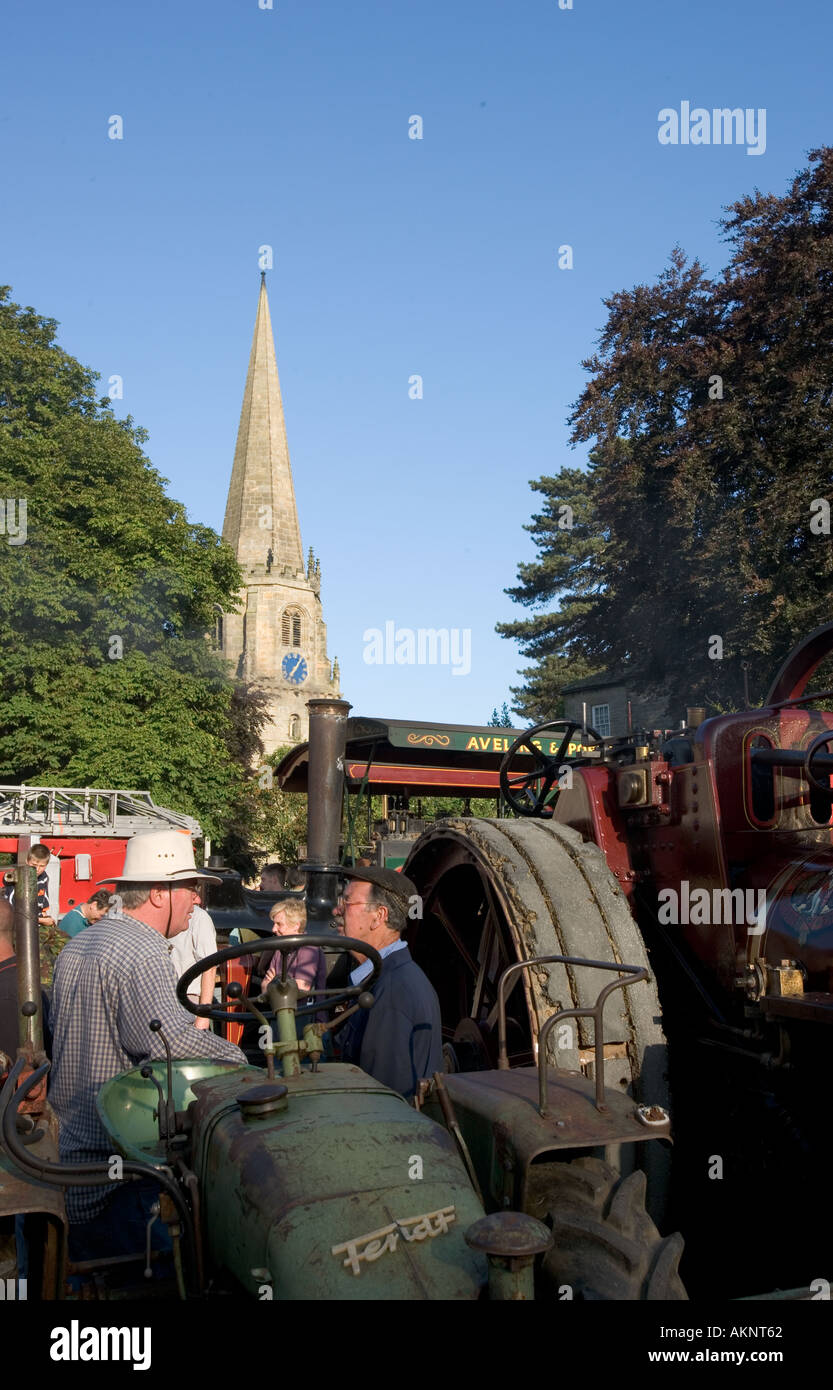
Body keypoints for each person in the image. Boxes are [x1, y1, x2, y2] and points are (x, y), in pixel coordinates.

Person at [49, 828, 246, 1264]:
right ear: (159, 893)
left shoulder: (79, 945)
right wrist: (245, 1064)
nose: (197, 898)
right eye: (191, 887)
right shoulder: (142, 950)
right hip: (120, 1179)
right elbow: (170, 1045)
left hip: (73, 1158)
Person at [332, 867, 442, 1100]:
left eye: (347, 902)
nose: (336, 910)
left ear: (378, 916)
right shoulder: (389, 978)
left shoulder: (393, 991)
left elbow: (381, 1099)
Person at [167, 883, 218, 1030]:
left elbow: (209, 966)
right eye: (193, 894)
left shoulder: (200, 919)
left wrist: (202, 1015)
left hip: (188, 1000)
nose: (198, 901)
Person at [262, 896, 326, 998]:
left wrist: (273, 985)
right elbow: (265, 984)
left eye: (279, 924)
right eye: (274, 924)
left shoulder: (309, 949)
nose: (273, 929)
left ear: (296, 925)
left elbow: (300, 989)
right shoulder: (281, 948)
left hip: (306, 1011)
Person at [3, 844, 55, 928]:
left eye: (42, 866)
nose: (37, 869)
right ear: (27, 861)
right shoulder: (18, 878)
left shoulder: (44, 878)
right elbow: (13, 913)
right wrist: (42, 920)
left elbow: (43, 905)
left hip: (38, 922)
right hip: (19, 925)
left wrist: (46, 918)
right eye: (34, 865)